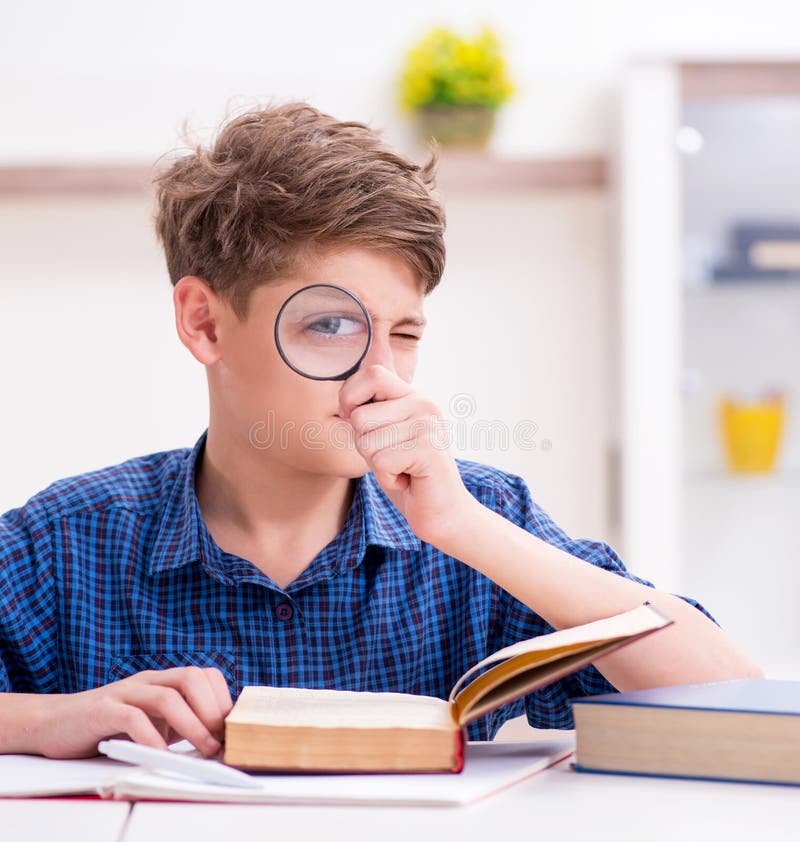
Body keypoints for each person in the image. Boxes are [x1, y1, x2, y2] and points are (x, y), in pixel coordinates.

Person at [0, 102, 762, 760]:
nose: (382, 378)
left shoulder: (477, 529)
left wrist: (464, 526)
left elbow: (733, 701)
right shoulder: (69, 544)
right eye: (331, 326)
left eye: (403, 333)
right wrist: (45, 718)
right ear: (204, 322)